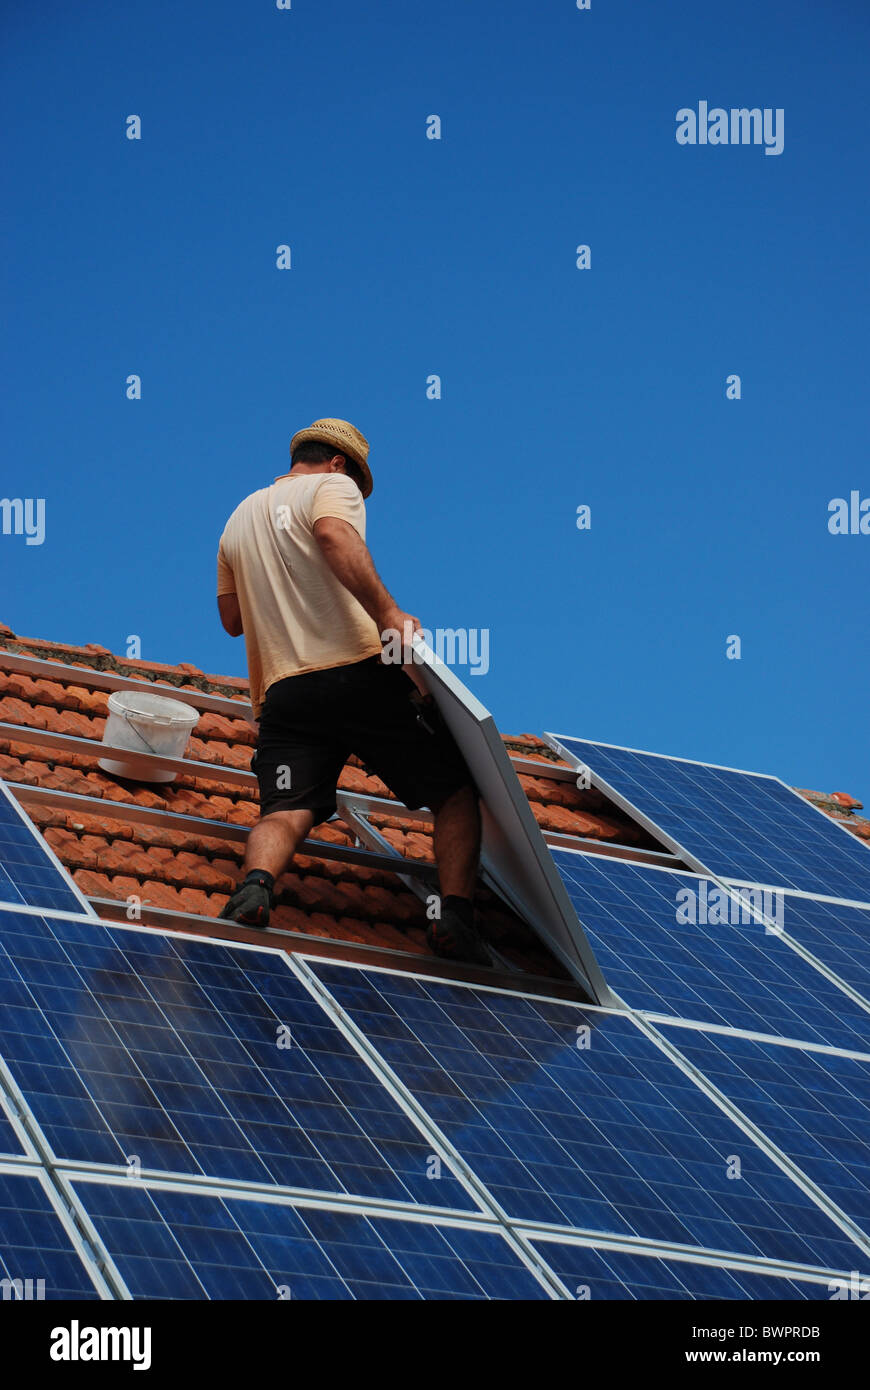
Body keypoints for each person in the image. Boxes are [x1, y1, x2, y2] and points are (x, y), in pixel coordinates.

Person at [215, 417, 491, 965]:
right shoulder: (331, 487)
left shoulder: (238, 518)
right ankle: (455, 918)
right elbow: (332, 535)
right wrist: (388, 613)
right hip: (358, 672)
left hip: (285, 691)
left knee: (287, 808)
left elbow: (232, 620)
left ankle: (255, 888)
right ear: (339, 463)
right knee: (455, 792)